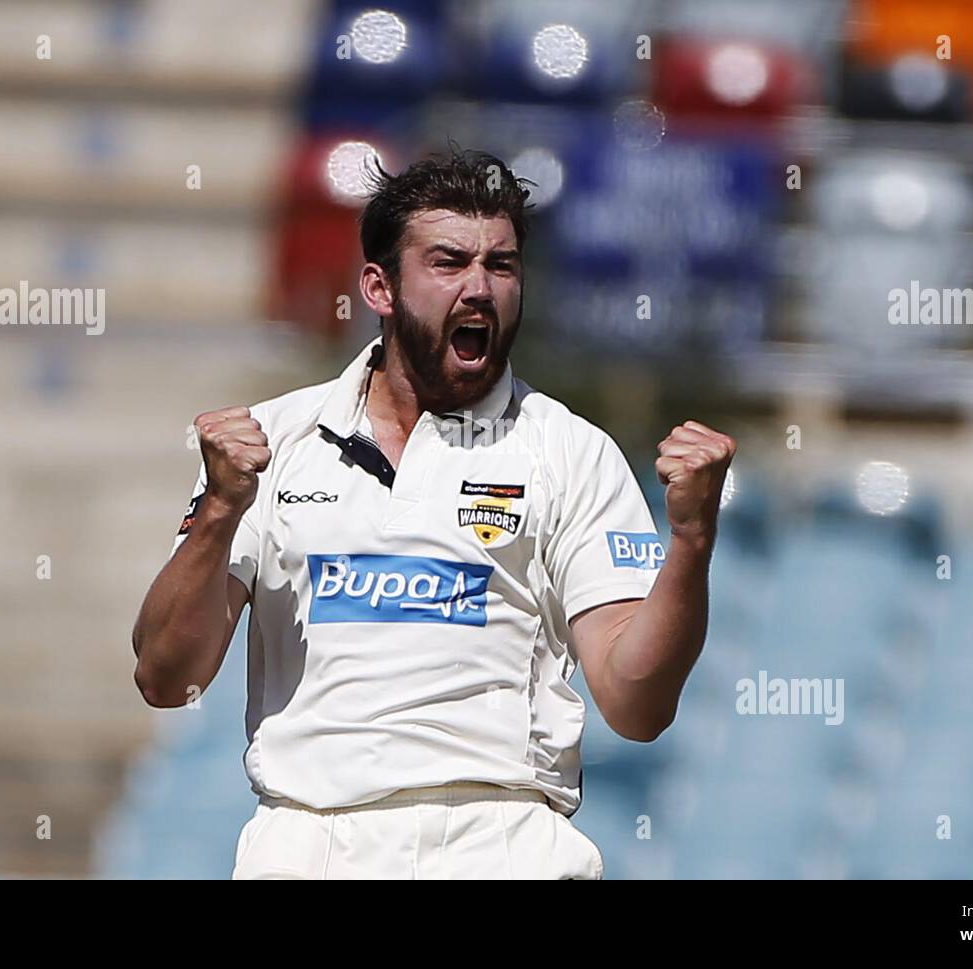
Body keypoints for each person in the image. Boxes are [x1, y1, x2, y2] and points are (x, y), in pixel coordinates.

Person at [131, 147, 736, 879]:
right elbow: (167, 678)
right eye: (449, 262)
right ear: (380, 287)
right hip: (309, 840)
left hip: (502, 842)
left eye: (502, 266)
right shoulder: (273, 441)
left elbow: (639, 706)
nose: (480, 288)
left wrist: (692, 539)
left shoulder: (571, 451)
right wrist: (223, 508)